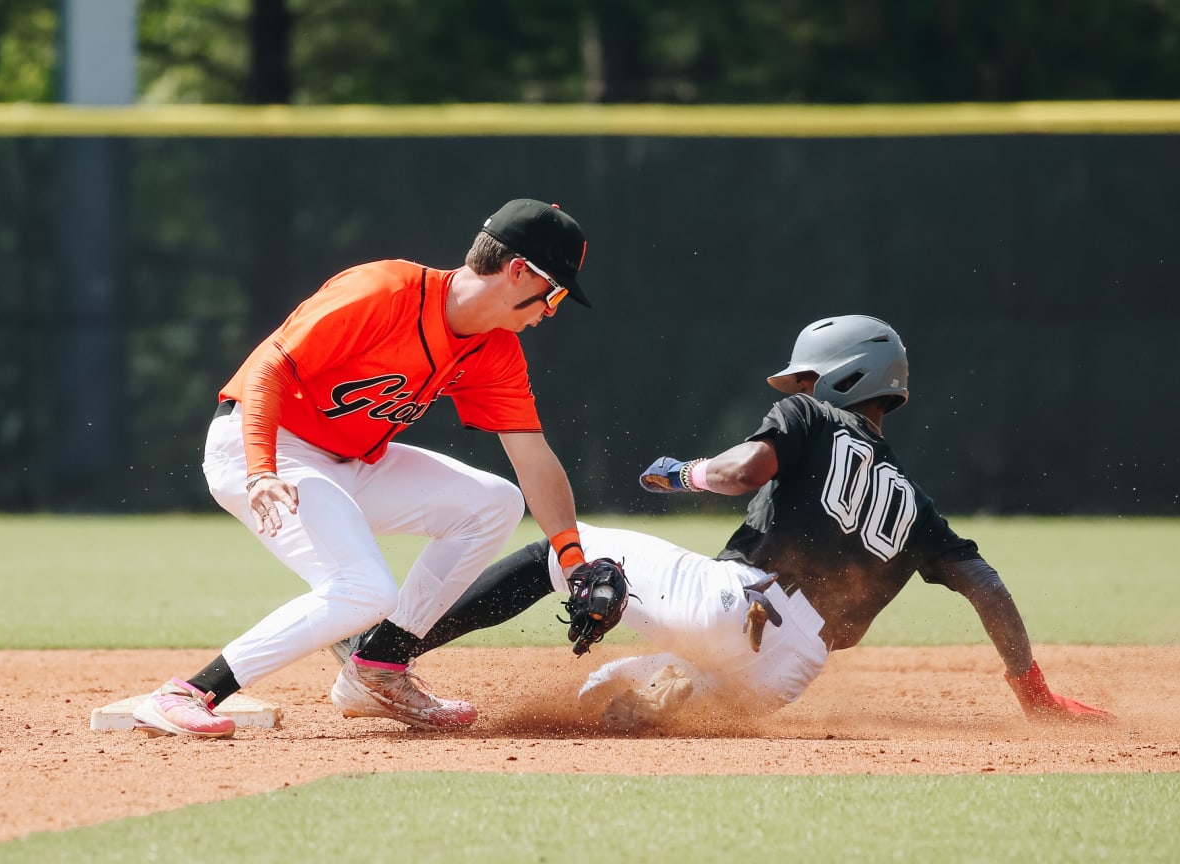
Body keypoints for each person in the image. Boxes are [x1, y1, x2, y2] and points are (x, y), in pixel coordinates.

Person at [342, 314, 1114, 729]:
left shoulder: (810, 415)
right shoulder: (915, 501)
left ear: (842, 377)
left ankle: (382, 652)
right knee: (605, 702)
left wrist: (679, 471)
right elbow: (986, 584)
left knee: (561, 553)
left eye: (809, 374)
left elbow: (742, 472)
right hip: (786, 676)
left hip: (732, 604)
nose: (800, 385)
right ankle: (667, 691)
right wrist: (1032, 689)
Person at [131, 199, 606, 737]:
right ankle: (189, 692)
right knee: (364, 589)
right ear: (518, 271)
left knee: (494, 503)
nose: (553, 308)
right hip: (260, 447)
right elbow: (270, 366)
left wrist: (573, 561)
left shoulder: (495, 351)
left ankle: (379, 668)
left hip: (349, 461)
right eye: (556, 291)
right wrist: (262, 469)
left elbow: (533, 458)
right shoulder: (385, 291)